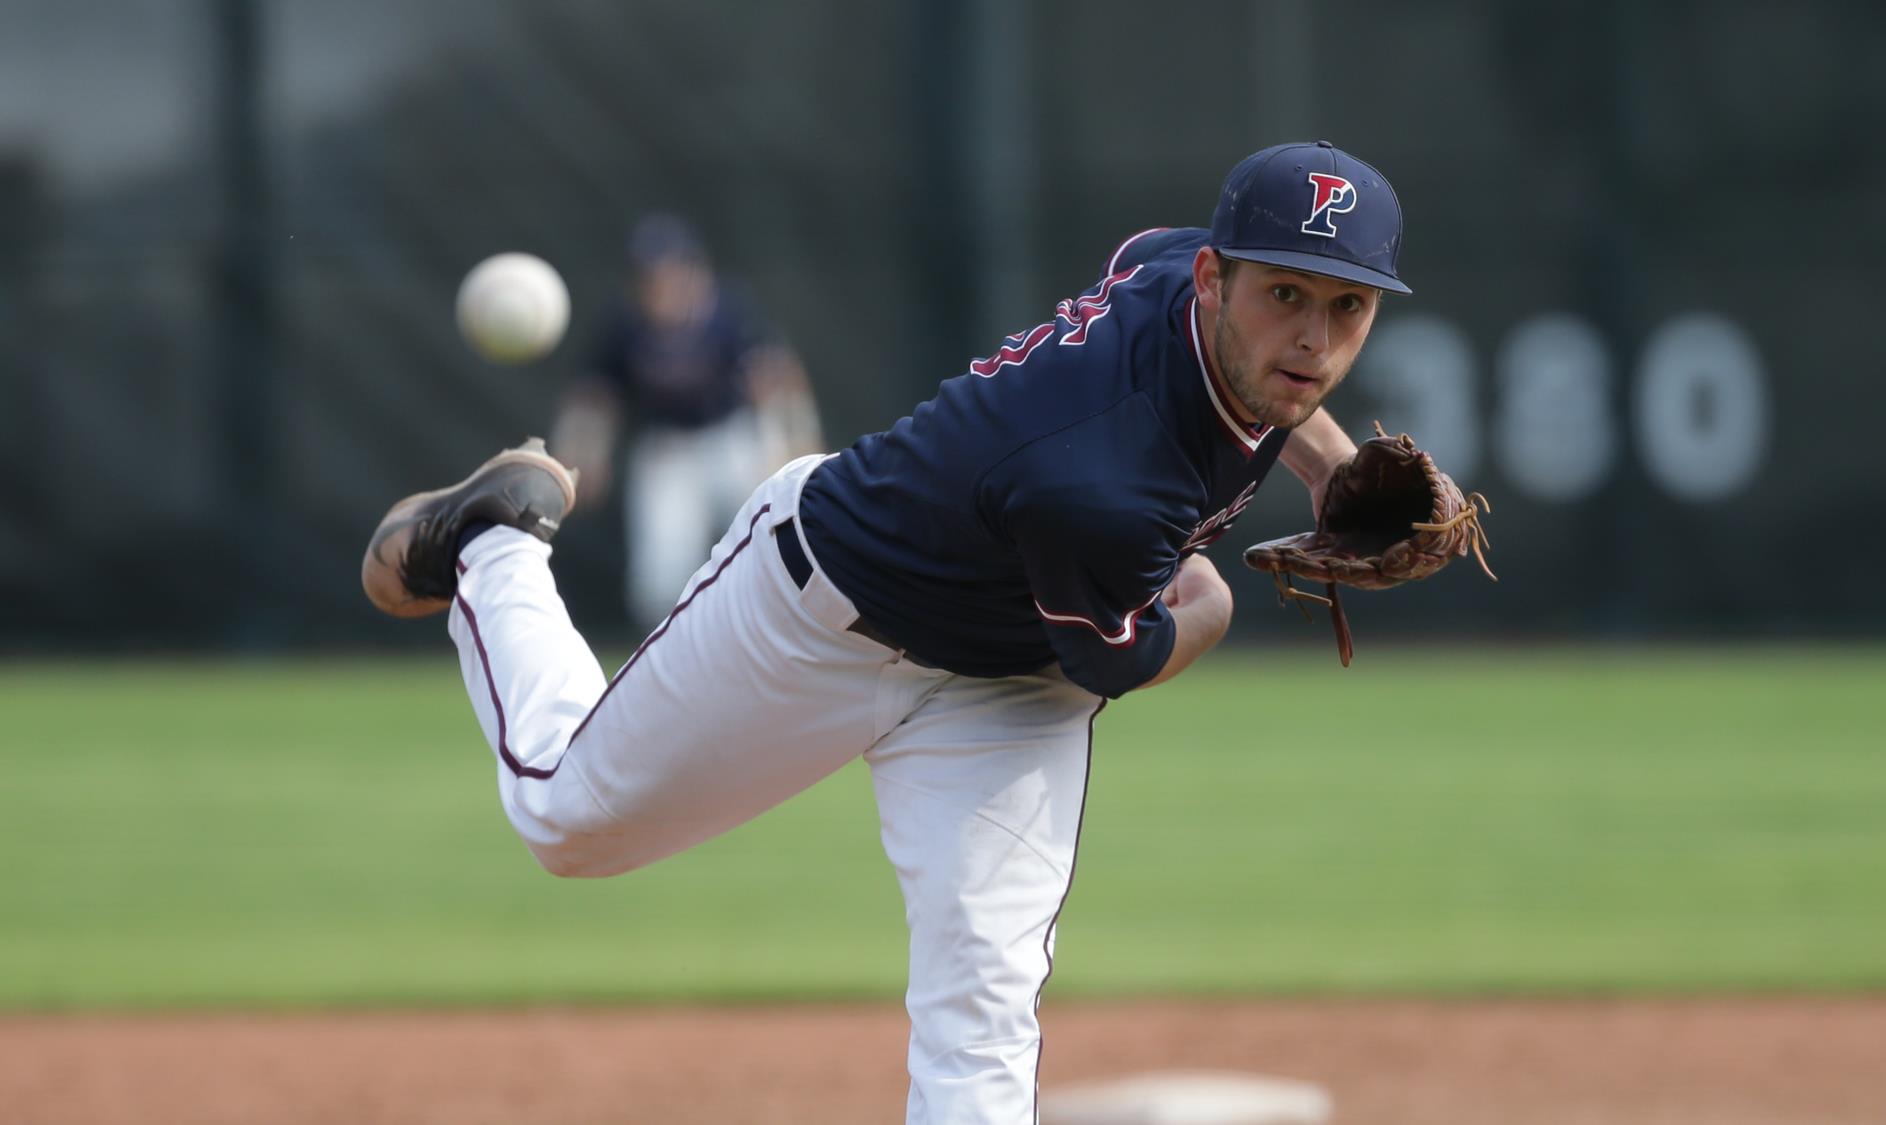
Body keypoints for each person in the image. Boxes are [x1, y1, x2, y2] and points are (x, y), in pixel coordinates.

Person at [362, 141, 1412, 1123]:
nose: (1313, 341)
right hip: (821, 610)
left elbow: (1179, 286)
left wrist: (1328, 470)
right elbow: (1117, 655)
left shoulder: (1173, 270)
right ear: (1214, 282)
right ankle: (495, 541)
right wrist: (1213, 606)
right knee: (566, 821)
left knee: (982, 1012)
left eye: (1346, 306)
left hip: (1009, 686)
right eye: (1284, 296)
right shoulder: (1094, 477)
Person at [550, 213, 822, 626]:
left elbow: (776, 377)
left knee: (778, 542)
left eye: (670, 272)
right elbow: (594, 396)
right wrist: (583, 455)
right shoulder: (627, 326)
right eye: (651, 276)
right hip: (668, 451)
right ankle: (675, 667)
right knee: (659, 581)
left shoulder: (727, 313)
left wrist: (794, 443)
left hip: (731, 442)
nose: (661, 285)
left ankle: (790, 642)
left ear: (694, 271)